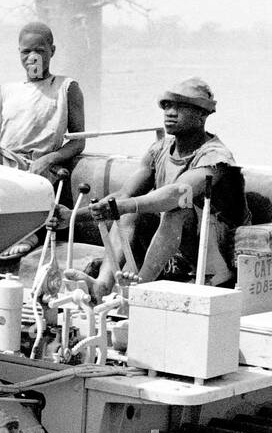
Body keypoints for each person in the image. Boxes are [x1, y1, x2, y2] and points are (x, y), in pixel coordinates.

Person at [84, 77, 248, 297]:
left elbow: (178, 193)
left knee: (176, 208)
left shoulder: (216, 156)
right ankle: (103, 284)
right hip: (172, 245)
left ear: (202, 115)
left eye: (181, 106)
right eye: (167, 106)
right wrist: (75, 215)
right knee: (127, 213)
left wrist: (125, 206)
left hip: (213, 254)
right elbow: (124, 194)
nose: (170, 112)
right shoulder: (159, 149)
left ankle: (141, 288)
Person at [0, 21, 85, 191]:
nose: (32, 57)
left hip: (37, 168)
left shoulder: (66, 87)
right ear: (19, 52)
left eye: (39, 51)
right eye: (26, 51)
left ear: (52, 51)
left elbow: (78, 142)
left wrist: (48, 160)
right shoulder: (6, 91)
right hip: (5, 164)